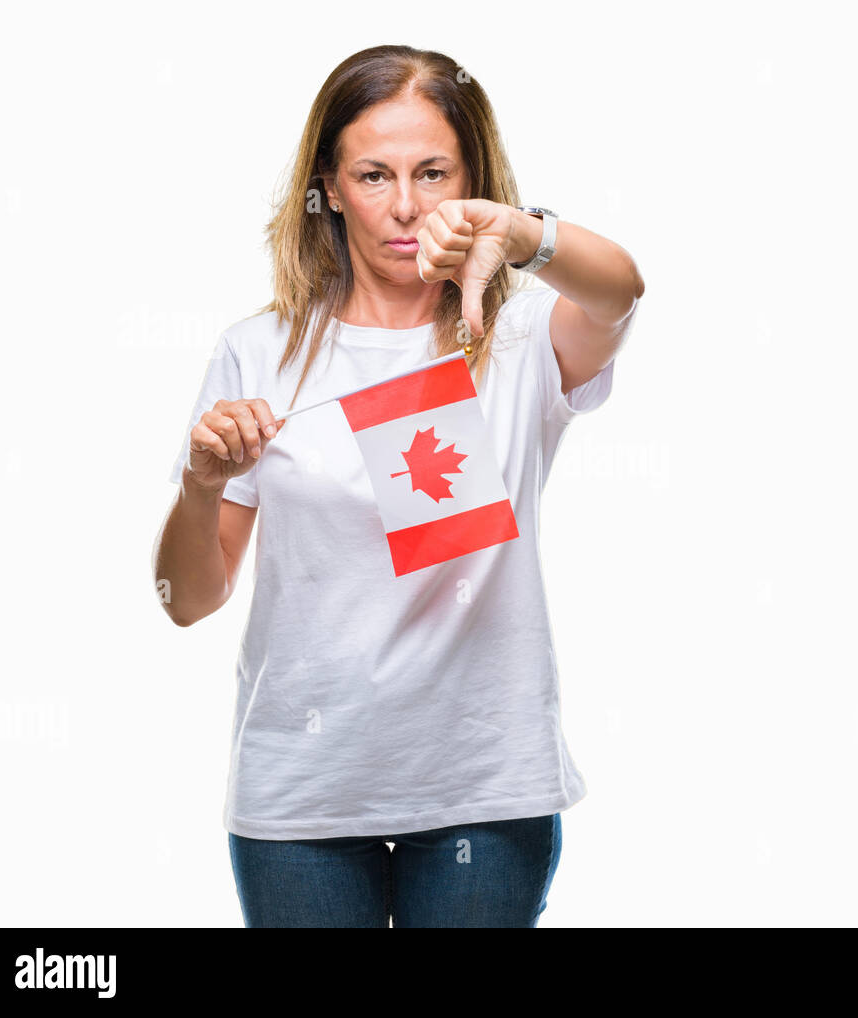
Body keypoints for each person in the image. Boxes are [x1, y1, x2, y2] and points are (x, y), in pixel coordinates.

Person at [151, 44, 643, 928]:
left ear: (473, 178)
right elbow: (187, 601)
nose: (408, 207)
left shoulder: (522, 334)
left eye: (434, 173)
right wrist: (199, 483)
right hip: (302, 798)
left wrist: (526, 236)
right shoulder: (258, 352)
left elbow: (620, 293)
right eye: (373, 175)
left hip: (483, 794)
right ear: (329, 187)